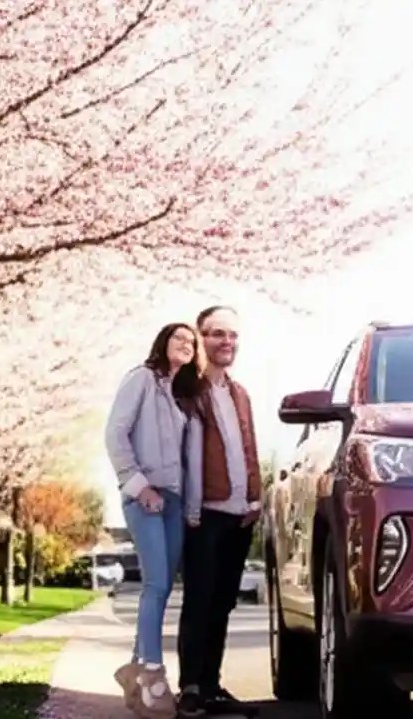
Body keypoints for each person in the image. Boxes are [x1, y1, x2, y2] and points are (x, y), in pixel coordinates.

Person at [107, 322, 205, 718]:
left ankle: (134, 669)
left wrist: (189, 507)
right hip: (145, 496)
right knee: (157, 583)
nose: (185, 344)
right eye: (178, 337)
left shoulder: (180, 396)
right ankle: (151, 671)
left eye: (191, 341)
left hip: (174, 501)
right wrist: (138, 485)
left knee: (164, 588)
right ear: (163, 342)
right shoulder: (142, 379)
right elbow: (115, 433)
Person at [176, 305, 262, 718]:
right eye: (216, 334)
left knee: (223, 602)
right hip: (201, 513)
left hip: (238, 514)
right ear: (200, 337)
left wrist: (256, 497)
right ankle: (191, 687)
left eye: (232, 335)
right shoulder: (186, 390)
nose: (226, 342)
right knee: (200, 599)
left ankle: (211, 685)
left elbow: (249, 447)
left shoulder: (240, 392)